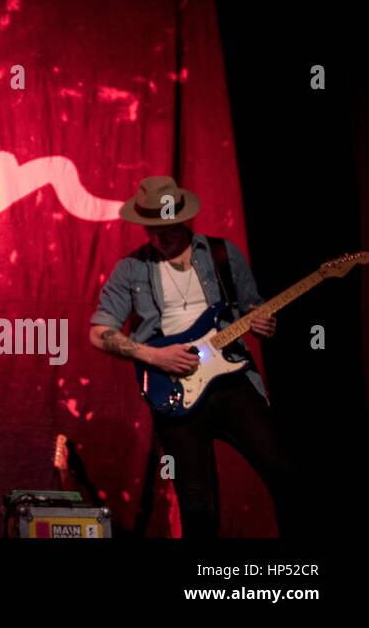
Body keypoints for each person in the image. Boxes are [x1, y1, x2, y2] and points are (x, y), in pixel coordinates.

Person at [88, 176, 303, 537]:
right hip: (174, 391)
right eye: (151, 229)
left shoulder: (221, 253)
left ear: (182, 217)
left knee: (285, 475)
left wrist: (263, 320)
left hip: (233, 383)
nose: (160, 237)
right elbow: (99, 332)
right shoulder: (131, 268)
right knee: (197, 505)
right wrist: (155, 357)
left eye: (167, 226)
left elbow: (254, 305)